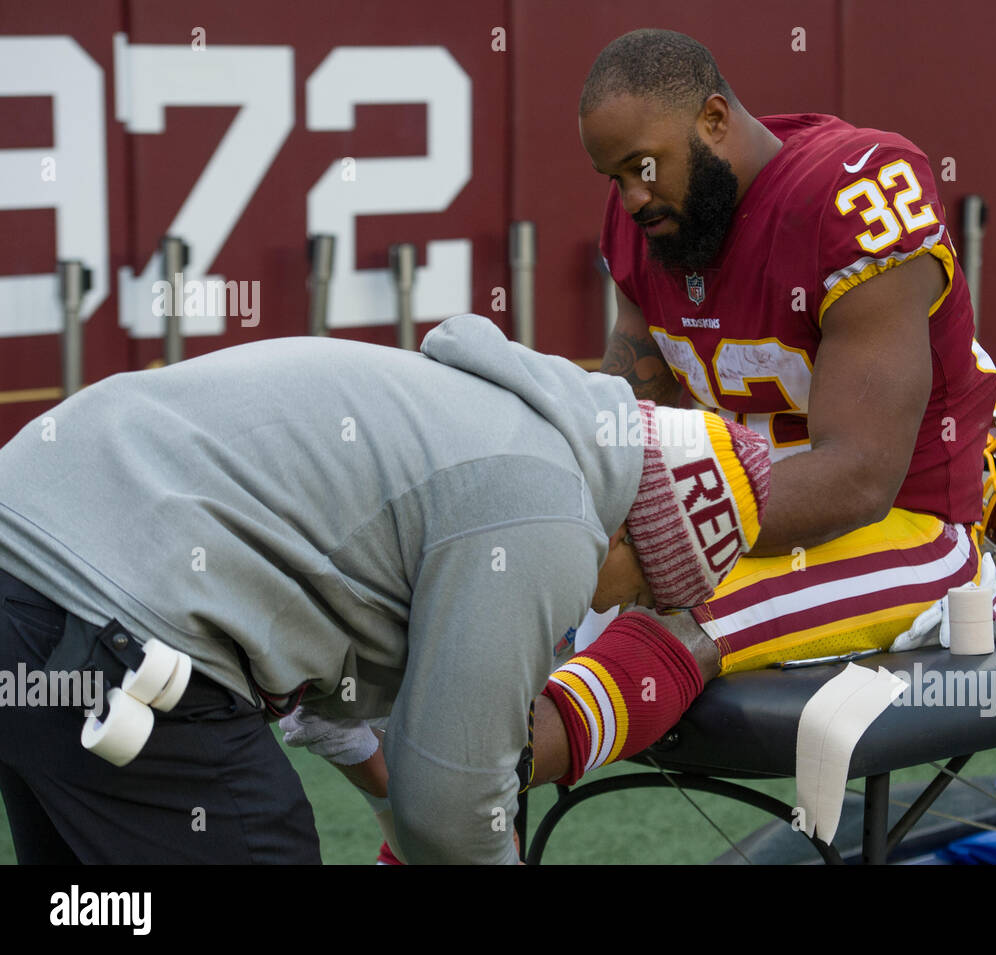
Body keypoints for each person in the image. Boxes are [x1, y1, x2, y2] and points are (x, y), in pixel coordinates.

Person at [0, 312, 769, 864]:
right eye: (641, 587)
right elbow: (449, 813)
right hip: (108, 610)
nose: (609, 606)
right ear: (639, 532)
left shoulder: (500, 424)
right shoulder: (556, 511)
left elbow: (318, 675)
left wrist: (388, 794)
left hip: (33, 562)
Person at [525, 28, 996, 790]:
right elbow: (623, 413)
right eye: (613, 177)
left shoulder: (855, 192)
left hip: (908, 529)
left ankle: (467, 786)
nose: (631, 196)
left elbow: (861, 476)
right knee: (514, 589)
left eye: (642, 167)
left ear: (714, 119)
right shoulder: (648, 220)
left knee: (676, 622)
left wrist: (652, 544)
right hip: (728, 516)